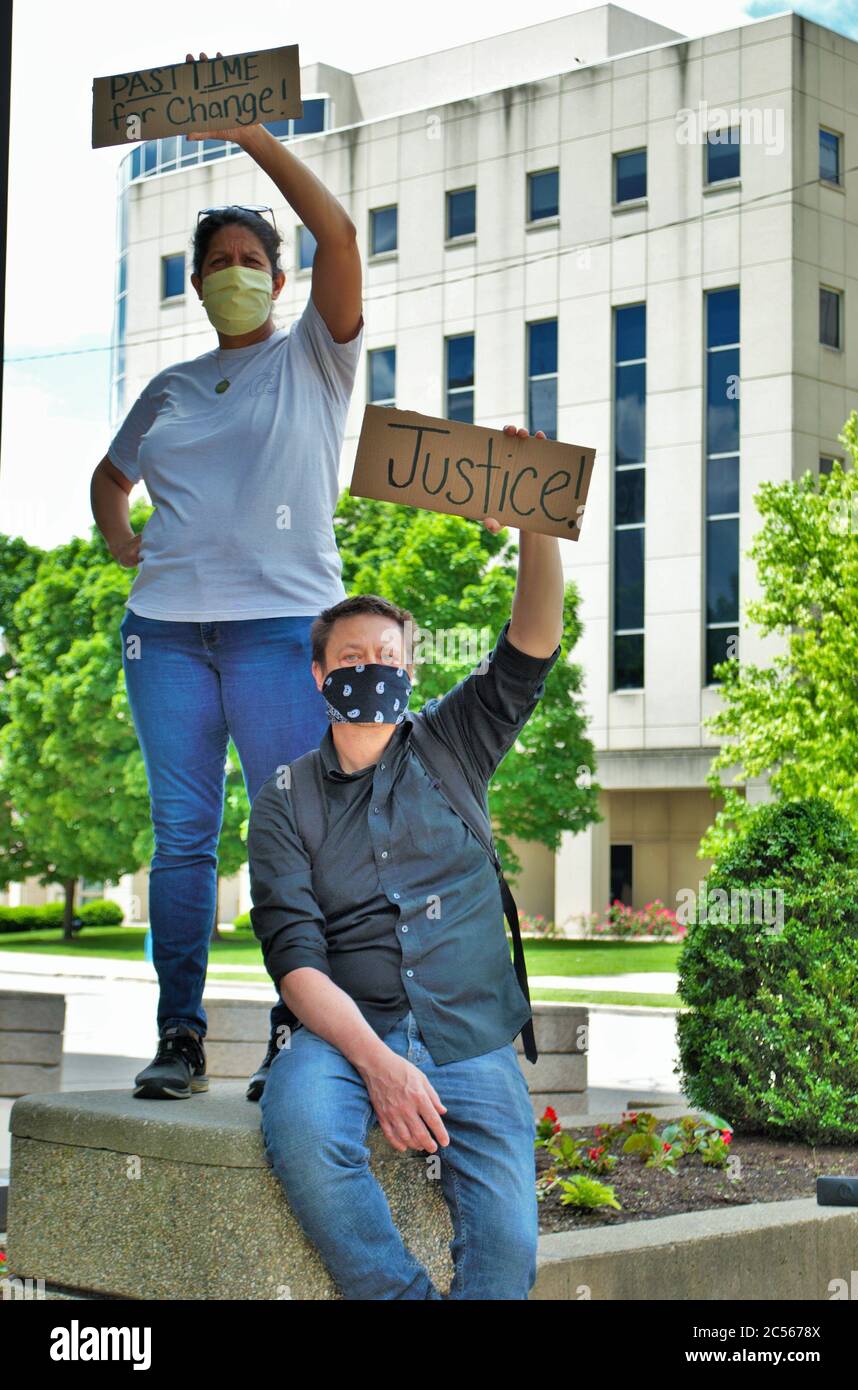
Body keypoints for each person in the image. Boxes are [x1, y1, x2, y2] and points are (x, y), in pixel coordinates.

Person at [90, 50, 363, 1101]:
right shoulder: (168, 387)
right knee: (183, 841)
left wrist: (245, 131)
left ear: (279, 279)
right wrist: (121, 535)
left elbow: (338, 234)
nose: (237, 269)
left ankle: (302, 1036)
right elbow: (108, 479)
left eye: (255, 256)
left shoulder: (314, 358)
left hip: (278, 633)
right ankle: (181, 1036)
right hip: (164, 636)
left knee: (292, 831)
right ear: (198, 281)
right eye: (220, 259)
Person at [247, 446, 563, 1299]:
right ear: (319, 677)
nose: (369, 672)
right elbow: (296, 961)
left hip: (471, 1038)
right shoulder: (282, 802)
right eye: (350, 660)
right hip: (347, 1038)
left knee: (506, 1251)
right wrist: (381, 1066)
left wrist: (536, 517)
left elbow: (532, 641)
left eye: (385, 657)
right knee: (301, 1123)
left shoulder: (457, 739)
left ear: (409, 670)